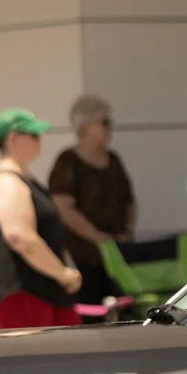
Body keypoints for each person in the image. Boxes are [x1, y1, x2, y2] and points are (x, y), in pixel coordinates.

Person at [0, 108, 82, 328]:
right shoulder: (7, 182)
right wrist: (63, 273)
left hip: (48, 292)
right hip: (23, 295)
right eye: (34, 135)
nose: (40, 140)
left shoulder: (25, 180)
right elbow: (20, 238)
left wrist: (65, 270)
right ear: (13, 139)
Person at [48, 94, 136, 308]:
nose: (109, 127)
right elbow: (64, 208)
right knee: (90, 315)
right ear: (84, 127)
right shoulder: (68, 161)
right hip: (84, 260)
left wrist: (126, 233)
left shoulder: (114, 159)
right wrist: (99, 238)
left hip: (118, 257)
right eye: (104, 122)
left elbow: (129, 201)